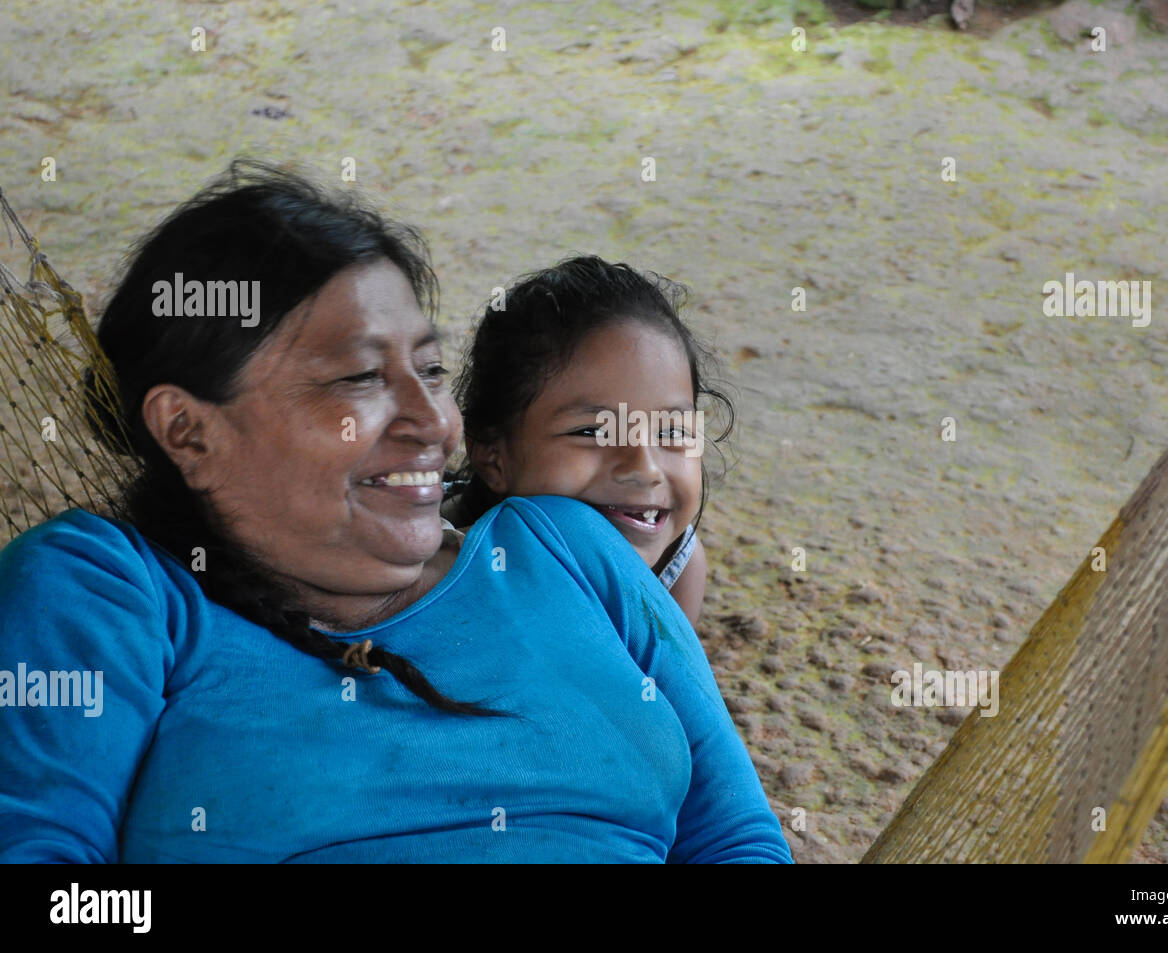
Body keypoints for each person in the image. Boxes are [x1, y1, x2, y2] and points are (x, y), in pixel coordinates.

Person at [0, 160, 793, 864]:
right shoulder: (111, 591)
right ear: (189, 429)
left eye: (431, 368)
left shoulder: (572, 548)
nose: (434, 424)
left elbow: (734, 839)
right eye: (356, 378)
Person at [445, 256, 731, 626]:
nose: (644, 469)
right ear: (492, 456)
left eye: (670, 432)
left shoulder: (675, 568)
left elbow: (659, 682)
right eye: (592, 432)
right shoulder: (431, 571)